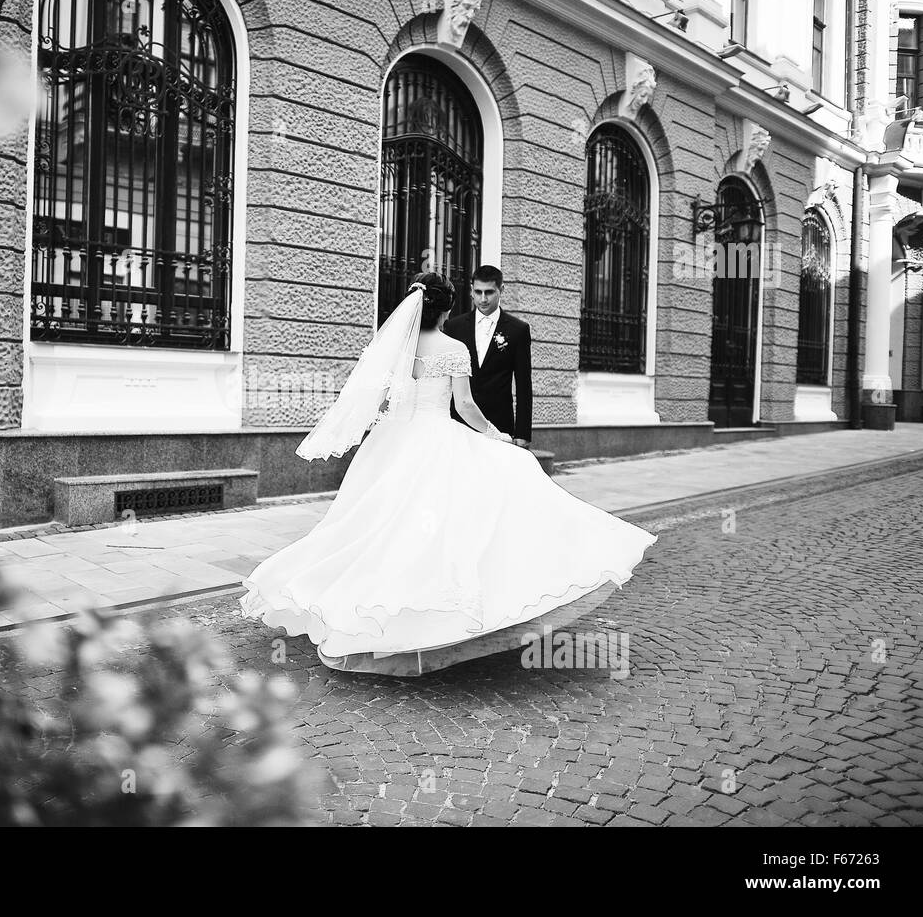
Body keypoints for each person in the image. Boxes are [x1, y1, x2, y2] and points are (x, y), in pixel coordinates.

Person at [238, 272, 657, 676]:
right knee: (462, 511)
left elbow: (378, 400)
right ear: (446, 310)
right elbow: (467, 406)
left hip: (391, 442)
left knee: (372, 527)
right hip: (436, 437)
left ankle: (359, 608)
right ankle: (427, 618)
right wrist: (500, 436)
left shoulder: (397, 348)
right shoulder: (454, 348)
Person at [443, 265, 532, 447]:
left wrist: (522, 433)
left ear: (502, 290)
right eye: (478, 292)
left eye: (489, 292)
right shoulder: (454, 327)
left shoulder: (518, 330)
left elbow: (524, 385)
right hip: (459, 422)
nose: (483, 299)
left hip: (499, 424)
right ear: (471, 291)